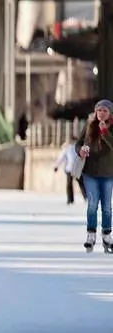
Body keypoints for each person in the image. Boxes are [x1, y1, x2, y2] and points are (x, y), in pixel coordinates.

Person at [75, 99, 113, 253]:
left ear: (110, 113)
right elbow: (77, 144)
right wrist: (80, 150)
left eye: (105, 110)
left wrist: (105, 132)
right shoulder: (89, 125)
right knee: (92, 205)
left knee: (106, 207)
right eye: (99, 110)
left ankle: (106, 235)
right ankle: (91, 235)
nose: (101, 113)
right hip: (90, 172)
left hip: (108, 173)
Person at [54, 136, 86, 205]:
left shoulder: (79, 148)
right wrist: (56, 166)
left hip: (77, 169)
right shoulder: (67, 148)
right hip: (70, 169)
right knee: (70, 184)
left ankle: (86, 198)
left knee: (81, 183)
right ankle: (70, 200)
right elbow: (61, 158)